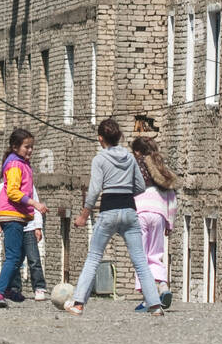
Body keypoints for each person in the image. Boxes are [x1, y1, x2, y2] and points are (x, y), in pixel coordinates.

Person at [63, 118, 165, 317]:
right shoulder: (129, 158)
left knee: (93, 257)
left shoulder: (99, 159)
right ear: (118, 137)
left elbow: (94, 190)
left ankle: (78, 304)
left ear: (101, 139)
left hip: (108, 210)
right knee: (140, 261)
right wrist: (125, 192)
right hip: (129, 210)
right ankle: (155, 305)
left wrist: (84, 214)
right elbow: (141, 186)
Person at [0, 127, 47, 309]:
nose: (30, 150)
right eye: (26, 147)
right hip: (12, 215)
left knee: (18, 256)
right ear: (15, 147)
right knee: (13, 256)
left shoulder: (22, 163)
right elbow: (13, 193)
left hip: (19, 216)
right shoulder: (15, 165)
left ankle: (8, 289)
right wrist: (35, 204)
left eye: (32, 147)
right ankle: (0, 291)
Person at [130, 136, 177, 310]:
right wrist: (169, 223)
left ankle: (147, 299)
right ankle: (163, 286)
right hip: (158, 213)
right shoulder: (161, 167)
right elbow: (172, 198)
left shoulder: (135, 167)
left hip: (140, 213)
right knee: (156, 254)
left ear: (136, 151)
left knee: (141, 257)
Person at [0, 177, 48, 300]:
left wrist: (38, 227)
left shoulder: (29, 186)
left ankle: (39, 287)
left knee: (34, 258)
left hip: (29, 228)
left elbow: (36, 206)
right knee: (14, 260)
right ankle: (14, 288)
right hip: (12, 226)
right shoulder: (2, 187)